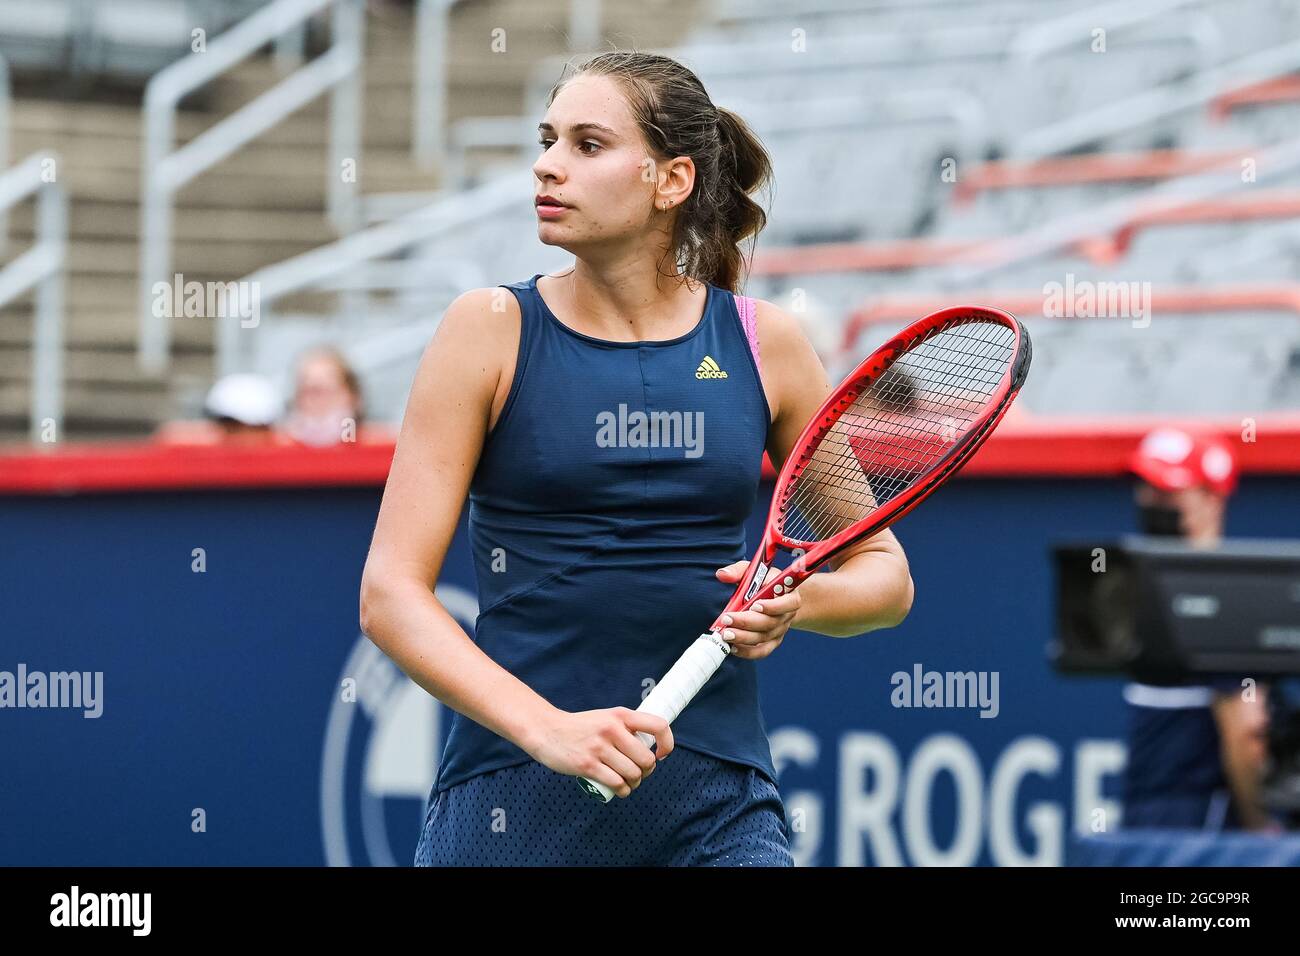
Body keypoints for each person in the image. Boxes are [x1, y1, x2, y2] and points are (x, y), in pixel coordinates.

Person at [359, 51, 914, 867]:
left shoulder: (770, 346)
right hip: (513, 798)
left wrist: (801, 605)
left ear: (672, 180)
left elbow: (887, 579)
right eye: (547, 139)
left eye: (587, 145)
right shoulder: (486, 330)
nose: (547, 165)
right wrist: (549, 731)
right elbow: (389, 596)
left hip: (720, 808)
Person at [1121, 426, 1277, 831]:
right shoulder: (1151, 591)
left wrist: (1261, 830)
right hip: (1145, 823)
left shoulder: (1226, 600)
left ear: (1213, 499)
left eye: (1168, 490)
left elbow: (1246, 733)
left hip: (1198, 837)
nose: (1150, 500)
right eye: (1145, 486)